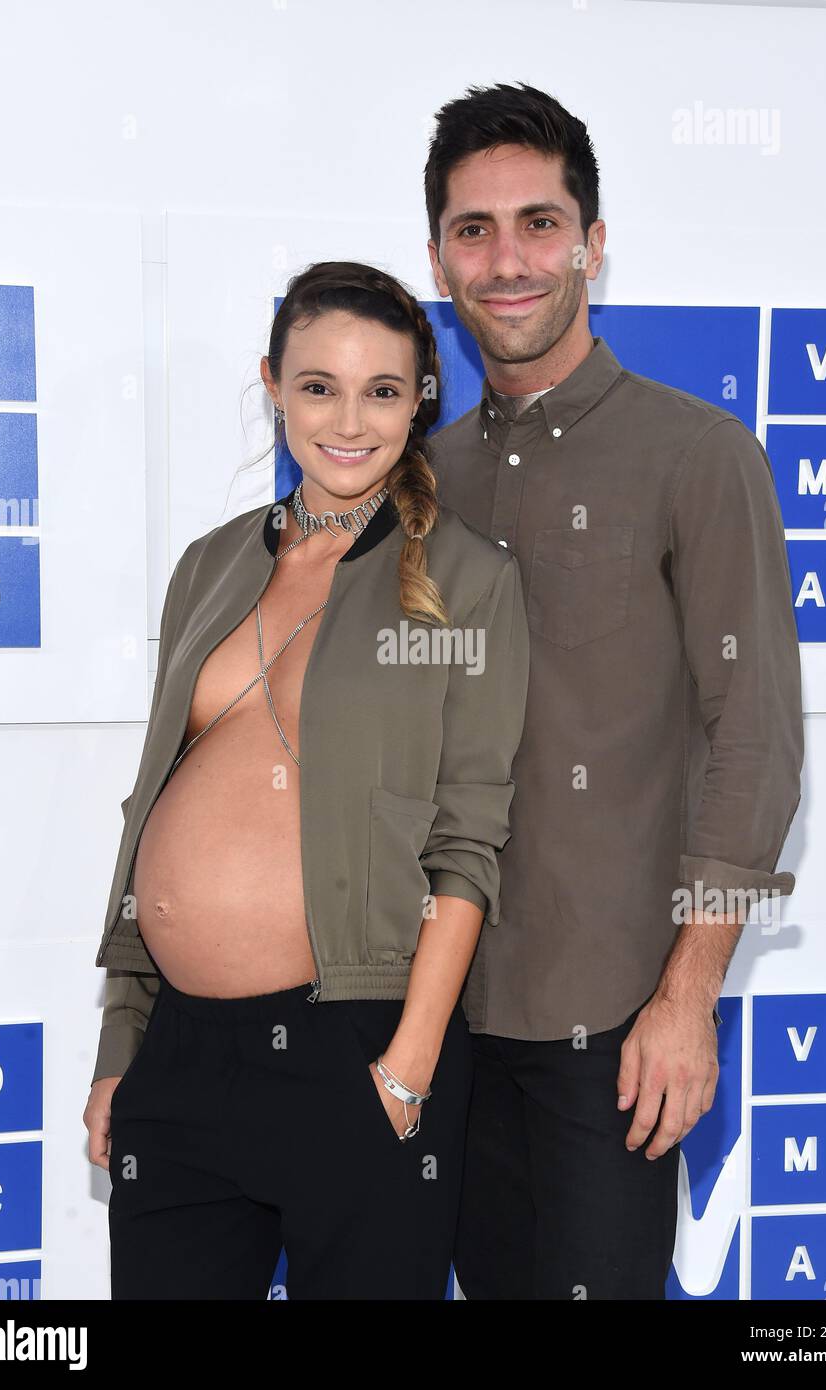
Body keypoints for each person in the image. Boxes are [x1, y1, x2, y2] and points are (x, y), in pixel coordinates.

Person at [82, 261, 530, 1300]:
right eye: (318, 384)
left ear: (419, 401)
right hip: (183, 1057)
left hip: (360, 1045)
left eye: (383, 389)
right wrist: (122, 1042)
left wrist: (407, 1064)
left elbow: (468, 843)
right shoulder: (209, 563)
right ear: (272, 385)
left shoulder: (469, 579)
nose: (349, 419)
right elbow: (151, 805)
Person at [423, 82, 805, 1300]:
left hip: (617, 1030)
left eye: (539, 223)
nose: (508, 259)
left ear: (593, 243)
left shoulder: (700, 455)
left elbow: (754, 742)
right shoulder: (420, 478)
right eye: (474, 229)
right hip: (442, 1021)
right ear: (438, 258)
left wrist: (689, 998)